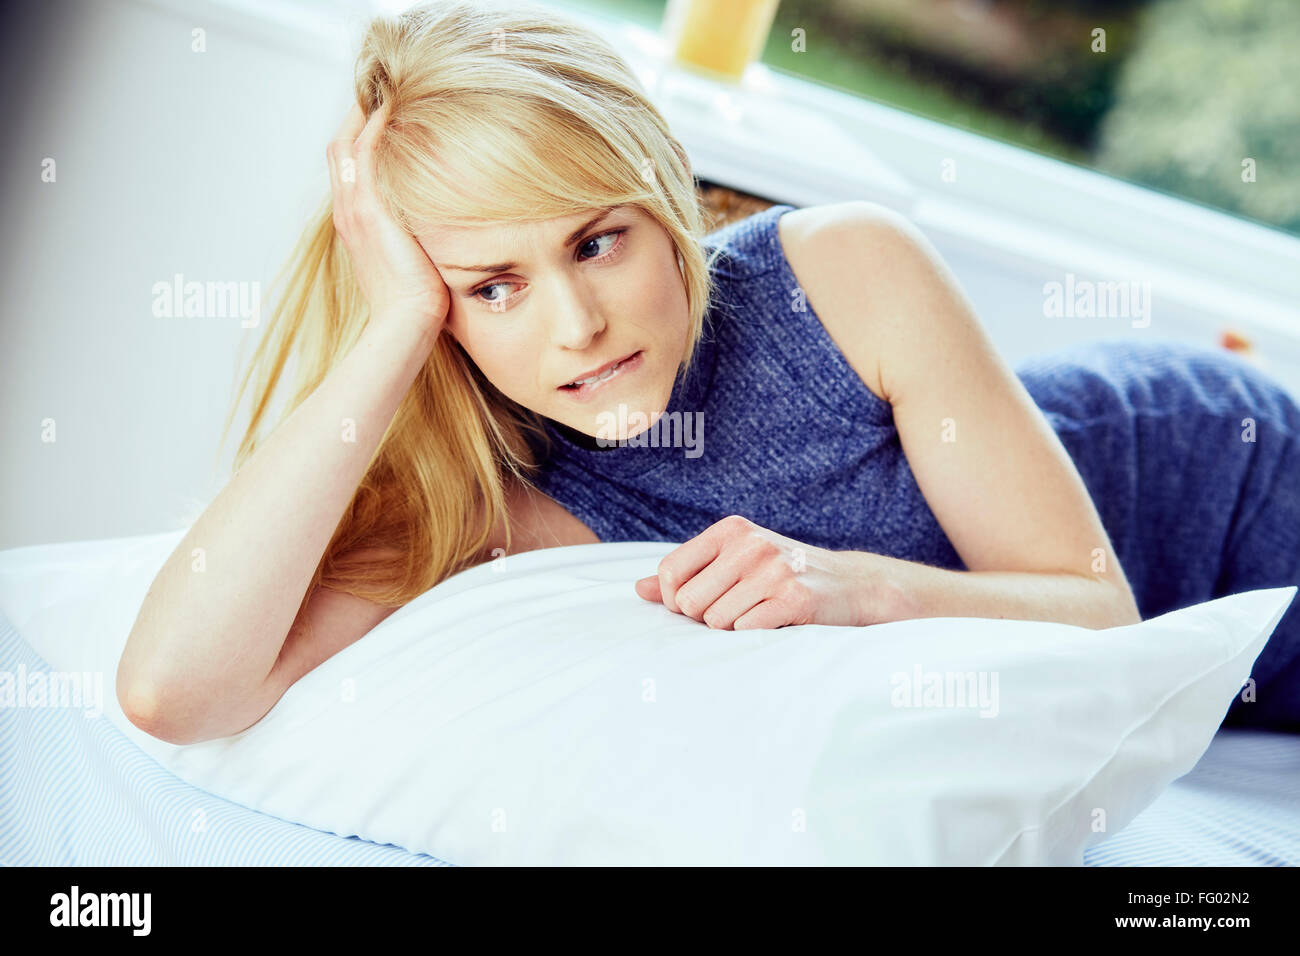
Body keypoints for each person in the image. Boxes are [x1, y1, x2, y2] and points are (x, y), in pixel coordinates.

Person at [116, 0, 1300, 744]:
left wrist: (855, 587)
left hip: (1226, 491)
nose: (577, 324)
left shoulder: (840, 269)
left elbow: (1099, 610)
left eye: (595, 241)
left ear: (665, 186)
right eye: (493, 286)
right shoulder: (500, 504)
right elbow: (176, 693)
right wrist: (391, 331)